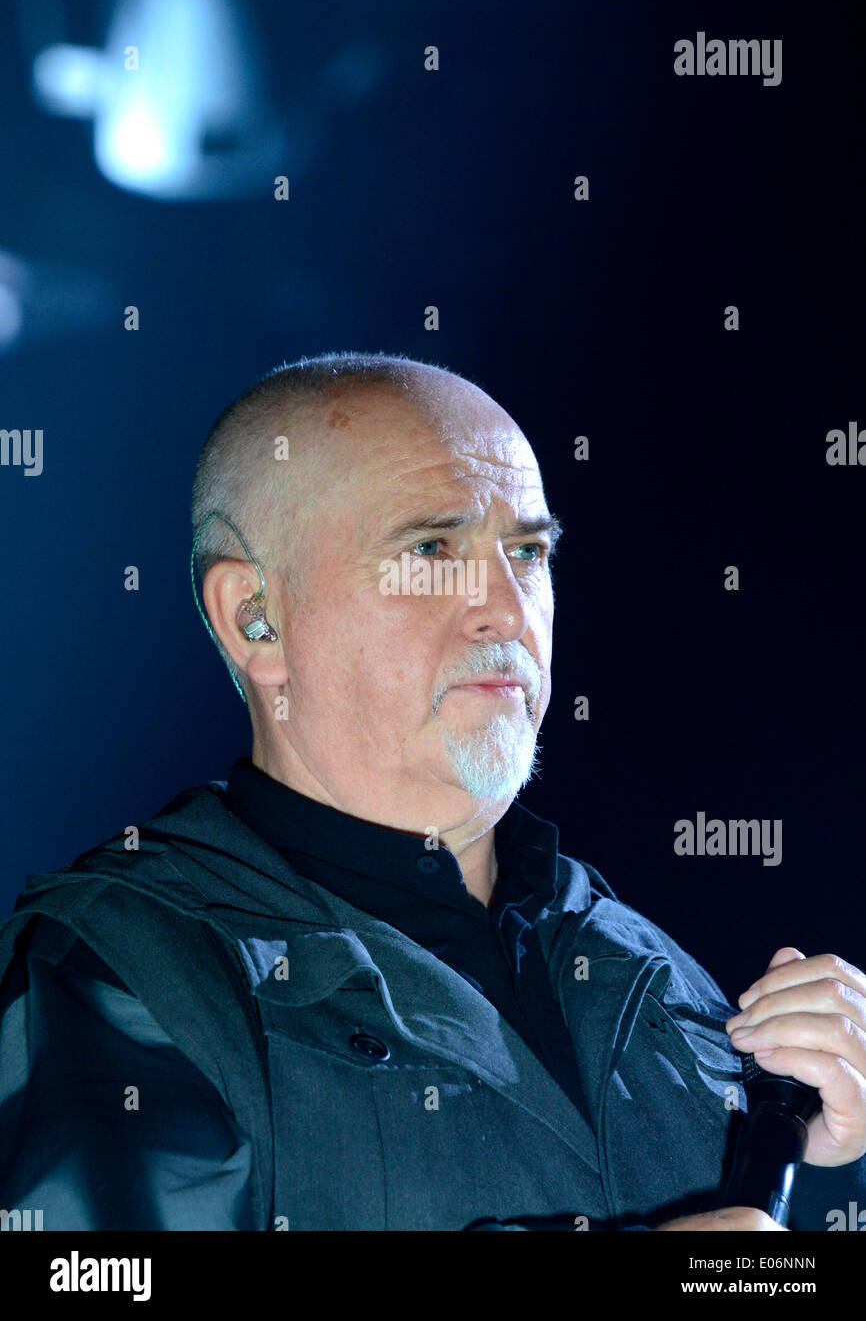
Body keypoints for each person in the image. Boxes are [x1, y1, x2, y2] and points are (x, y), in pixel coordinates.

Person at [1, 351, 864, 1232]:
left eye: (527, 551)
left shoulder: (657, 979)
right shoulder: (125, 966)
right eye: (430, 552)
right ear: (255, 617)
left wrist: (828, 1167)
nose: (507, 610)